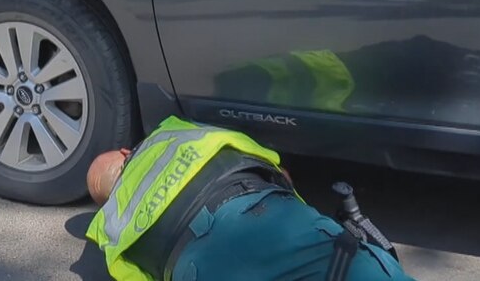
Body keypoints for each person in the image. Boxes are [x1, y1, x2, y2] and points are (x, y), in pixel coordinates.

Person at [86, 116, 415, 281]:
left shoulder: (111, 226)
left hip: (194, 266)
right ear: (126, 152)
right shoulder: (172, 135)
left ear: (107, 199)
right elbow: (277, 172)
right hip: (257, 214)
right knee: (364, 269)